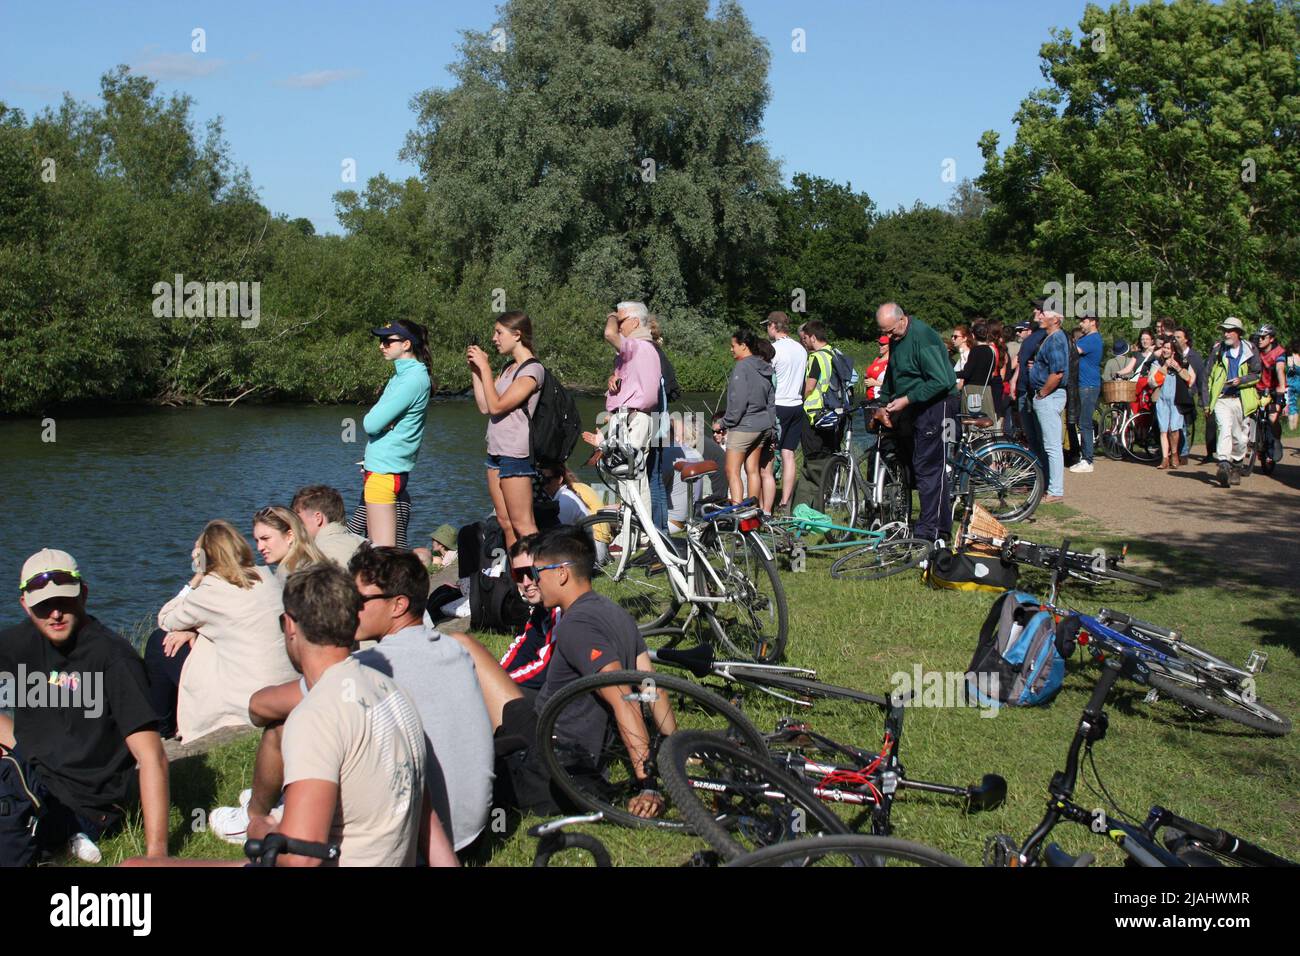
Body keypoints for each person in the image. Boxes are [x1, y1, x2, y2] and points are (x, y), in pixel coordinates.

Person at [137, 563, 459, 867]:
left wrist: (261, 827)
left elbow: (301, 859)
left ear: (289, 625)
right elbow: (427, 822)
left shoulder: (315, 716)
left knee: (131, 867)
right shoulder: (394, 693)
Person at [211, 552, 489, 857]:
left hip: (409, 839)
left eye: (359, 602)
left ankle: (253, 816)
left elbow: (261, 706)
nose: (353, 610)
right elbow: (427, 815)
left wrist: (261, 829)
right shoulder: (443, 656)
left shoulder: (367, 674)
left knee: (283, 723)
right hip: (466, 830)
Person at [0, 549, 169, 866]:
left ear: (84, 595)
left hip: (85, 804)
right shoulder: (17, 643)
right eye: (43, 606)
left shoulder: (113, 657)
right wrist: (10, 745)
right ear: (25, 605)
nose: (55, 614)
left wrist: (157, 854)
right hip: (27, 774)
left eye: (64, 601)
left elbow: (152, 756)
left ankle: (63, 836)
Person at [146, 520, 297, 743]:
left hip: (247, 697)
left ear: (205, 556)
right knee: (183, 640)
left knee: (159, 642)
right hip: (282, 683)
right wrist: (196, 630)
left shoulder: (211, 588)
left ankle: (162, 730)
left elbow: (166, 619)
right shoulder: (266, 577)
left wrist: (196, 577)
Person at [873, 303, 958, 543]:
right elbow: (893, 372)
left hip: (936, 406)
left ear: (902, 319)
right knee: (916, 468)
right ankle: (938, 527)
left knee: (928, 468)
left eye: (890, 331)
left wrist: (907, 399)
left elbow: (941, 380)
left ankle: (928, 533)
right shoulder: (898, 339)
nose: (888, 337)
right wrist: (884, 401)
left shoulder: (923, 337)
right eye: (884, 332)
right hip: (911, 407)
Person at [350, 320, 432, 548]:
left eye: (387, 341)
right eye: (380, 341)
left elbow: (370, 423)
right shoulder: (400, 377)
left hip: (385, 473)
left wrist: (381, 423)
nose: (381, 346)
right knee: (378, 551)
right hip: (379, 470)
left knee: (383, 553)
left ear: (406, 344)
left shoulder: (412, 379)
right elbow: (378, 421)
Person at [468, 311, 543, 550]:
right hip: (496, 452)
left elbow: (498, 404)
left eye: (499, 332)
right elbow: (485, 406)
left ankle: (542, 580)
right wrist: (477, 371)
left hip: (516, 454)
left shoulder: (532, 370)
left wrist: (486, 368)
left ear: (517, 334)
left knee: (524, 524)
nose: (494, 338)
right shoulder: (510, 368)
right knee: (505, 522)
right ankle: (517, 581)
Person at [592, 302, 662, 514]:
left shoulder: (637, 346)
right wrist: (614, 378)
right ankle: (640, 533)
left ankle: (631, 535)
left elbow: (608, 334)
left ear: (634, 322)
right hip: (635, 417)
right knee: (634, 478)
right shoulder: (645, 349)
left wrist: (611, 315)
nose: (618, 326)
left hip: (633, 419)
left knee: (627, 477)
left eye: (621, 321)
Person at [491, 535, 561, 692]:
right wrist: (499, 676)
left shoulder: (562, 610)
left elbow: (545, 669)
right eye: (518, 575)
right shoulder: (543, 609)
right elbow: (523, 647)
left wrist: (499, 684)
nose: (526, 583)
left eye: (531, 573)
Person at [720, 327, 776, 504]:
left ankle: (737, 511)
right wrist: (772, 427)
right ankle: (753, 513)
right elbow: (771, 401)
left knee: (731, 470)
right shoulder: (765, 368)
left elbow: (738, 402)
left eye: (733, 345)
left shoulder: (741, 367)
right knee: (752, 469)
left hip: (745, 426)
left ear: (743, 345)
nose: (731, 349)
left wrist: (723, 423)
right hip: (763, 426)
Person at [1207, 316, 1262, 487]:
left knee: (1240, 438)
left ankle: (1237, 466)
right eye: (1224, 330)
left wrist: (1242, 380)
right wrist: (1207, 401)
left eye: (1229, 330)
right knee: (1224, 429)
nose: (1226, 333)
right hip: (1222, 398)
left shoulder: (1250, 349)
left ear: (1238, 333)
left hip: (1241, 399)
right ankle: (1223, 464)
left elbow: (1257, 374)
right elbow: (1207, 375)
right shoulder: (1218, 350)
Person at [794, 321, 843, 508]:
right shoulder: (835, 354)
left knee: (813, 460)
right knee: (828, 456)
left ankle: (811, 506)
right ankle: (827, 497)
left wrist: (802, 400)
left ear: (813, 337)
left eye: (805, 339)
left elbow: (810, 385)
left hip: (815, 415)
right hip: (834, 415)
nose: (805, 343)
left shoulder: (816, 357)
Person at [1028, 300, 1070, 504]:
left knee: (1052, 445)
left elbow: (1058, 373)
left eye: (1045, 314)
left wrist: (1043, 393)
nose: (1041, 316)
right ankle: (1049, 486)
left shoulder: (1056, 340)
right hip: (1047, 394)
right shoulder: (1050, 338)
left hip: (1050, 395)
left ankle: (1055, 490)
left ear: (1056, 318)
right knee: (1048, 444)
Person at [767, 311, 808, 514]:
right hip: (797, 404)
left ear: (774, 326)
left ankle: (769, 503)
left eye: (768, 326)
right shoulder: (801, 349)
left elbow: (767, 378)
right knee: (789, 455)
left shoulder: (774, 350)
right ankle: (785, 502)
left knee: (770, 455)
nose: (767, 329)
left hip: (779, 405)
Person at [646, 316, 680, 533]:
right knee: (655, 477)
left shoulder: (648, 352)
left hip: (652, 418)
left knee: (651, 478)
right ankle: (661, 530)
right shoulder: (659, 352)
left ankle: (656, 530)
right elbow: (672, 389)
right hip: (661, 418)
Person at [291, 485, 366, 570]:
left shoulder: (318, 554)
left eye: (297, 519)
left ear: (318, 518)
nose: (293, 525)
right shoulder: (362, 542)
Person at [253, 505, 327, 582]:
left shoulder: (287, 574)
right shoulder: (317, 563)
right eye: (257, 541)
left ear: (289, 536)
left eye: (265, 538)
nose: (259, 548)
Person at [1152, 336, 1194, 470]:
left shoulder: (1183, 362)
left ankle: (1174, 454)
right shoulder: (1157, 364)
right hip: (1162, 399)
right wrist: (1164, 367)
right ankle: (1164, 458)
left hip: (1177, 399)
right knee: (1163, 429)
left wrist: (1178, 368)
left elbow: (1189, 380)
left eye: (1168, 348)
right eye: (1164, 347)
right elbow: (1152, 382)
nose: (1165, 350)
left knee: (1174, 428)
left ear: (1174, 351)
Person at [1069, 313, 1104, 473]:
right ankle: (1085, 457)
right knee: (1082, 422)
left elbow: (1072, 351)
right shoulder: (1086, 338)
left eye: (1084, 321)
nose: (1081, 324)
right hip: (1084, 385)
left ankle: (1088, 460)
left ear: (1093, 323)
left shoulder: (1092, 339)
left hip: (1088, 386)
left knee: (1085, 423)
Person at [1011, 312, 1047, 460]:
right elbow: (1021, 362)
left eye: (1038, 310)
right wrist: (1014, 379)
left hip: (1036, 390)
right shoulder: (1029, 339)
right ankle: (1035, 471)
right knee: (1030, 435)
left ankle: (1044, 471)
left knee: (1041, 436)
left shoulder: (1047, 336)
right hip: (1023, 388)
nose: (1034, 312)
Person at [1173, 328, 1208, 461]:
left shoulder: (1195, 357)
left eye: (1179, 337)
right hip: (1174, 391)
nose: (1175, 339)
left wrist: (1202, 400)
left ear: (1186, 339)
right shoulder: (1174, 354)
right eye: (1175, 337)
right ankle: (1178, 451)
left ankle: (1183, 452)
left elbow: (1201, 379)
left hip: (1187, 393)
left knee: (1183, 423)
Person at [1255, 324, 1287, 470]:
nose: (1260, 340)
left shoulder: (1279, 352)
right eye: (1258, 337)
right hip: (1257, 388)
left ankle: (1275, 441)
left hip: (1274, 389)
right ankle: (1255, 444)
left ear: (1271, 339)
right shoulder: (1254, 350)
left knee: (1272, 418)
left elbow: (1280, 369)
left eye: (1263, 337)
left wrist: (1281, 387)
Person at [864, 334, 890, 401]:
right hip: (869, 399)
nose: (880, 346)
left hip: (879, 400)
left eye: (883, 344)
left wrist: (875, 383)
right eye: (879, 344)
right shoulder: (877, 359)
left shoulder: (890, 361)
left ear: (890, 345)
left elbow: (894, 385)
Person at [1286, 337, 1300, 433]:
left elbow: (1290, 369)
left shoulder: (1290, 357)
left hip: (1291, 385)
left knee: (1292, 405)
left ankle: (1292, 428)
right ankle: (1294, 429)